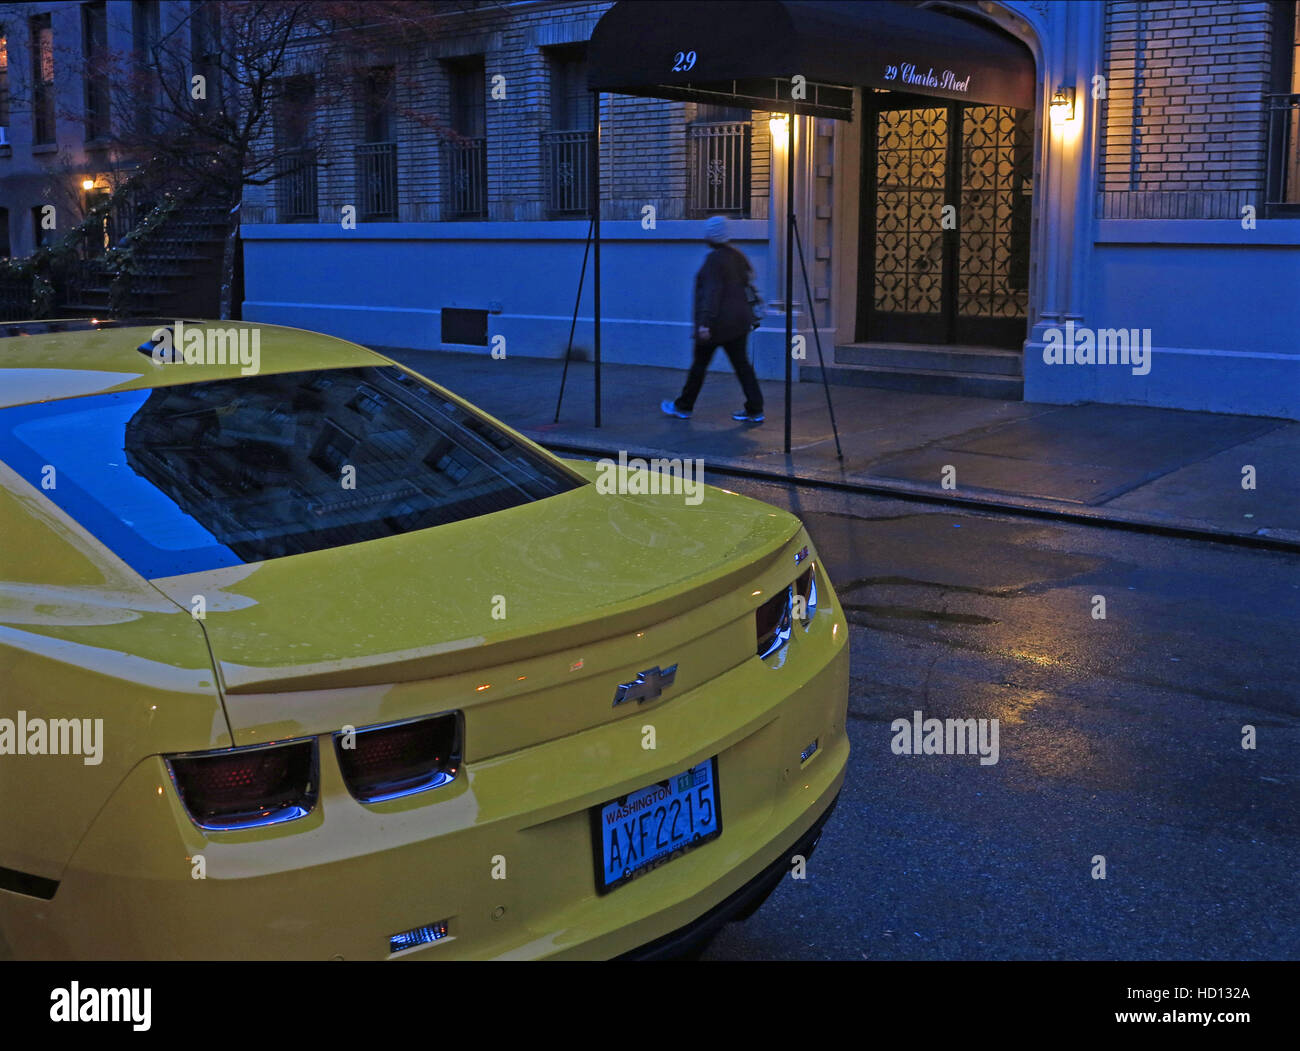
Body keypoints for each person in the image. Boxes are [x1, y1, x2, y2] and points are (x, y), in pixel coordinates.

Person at [661, 215, 765, 424]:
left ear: (712, 235)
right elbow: (747, 284)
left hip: (717, 325)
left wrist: (705, 324)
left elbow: (711, 293)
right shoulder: (737, 255)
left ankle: (683, 406)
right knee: (742, 365)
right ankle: (755, 409)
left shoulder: (714, 260)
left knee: (699, 366)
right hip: (739, 322)